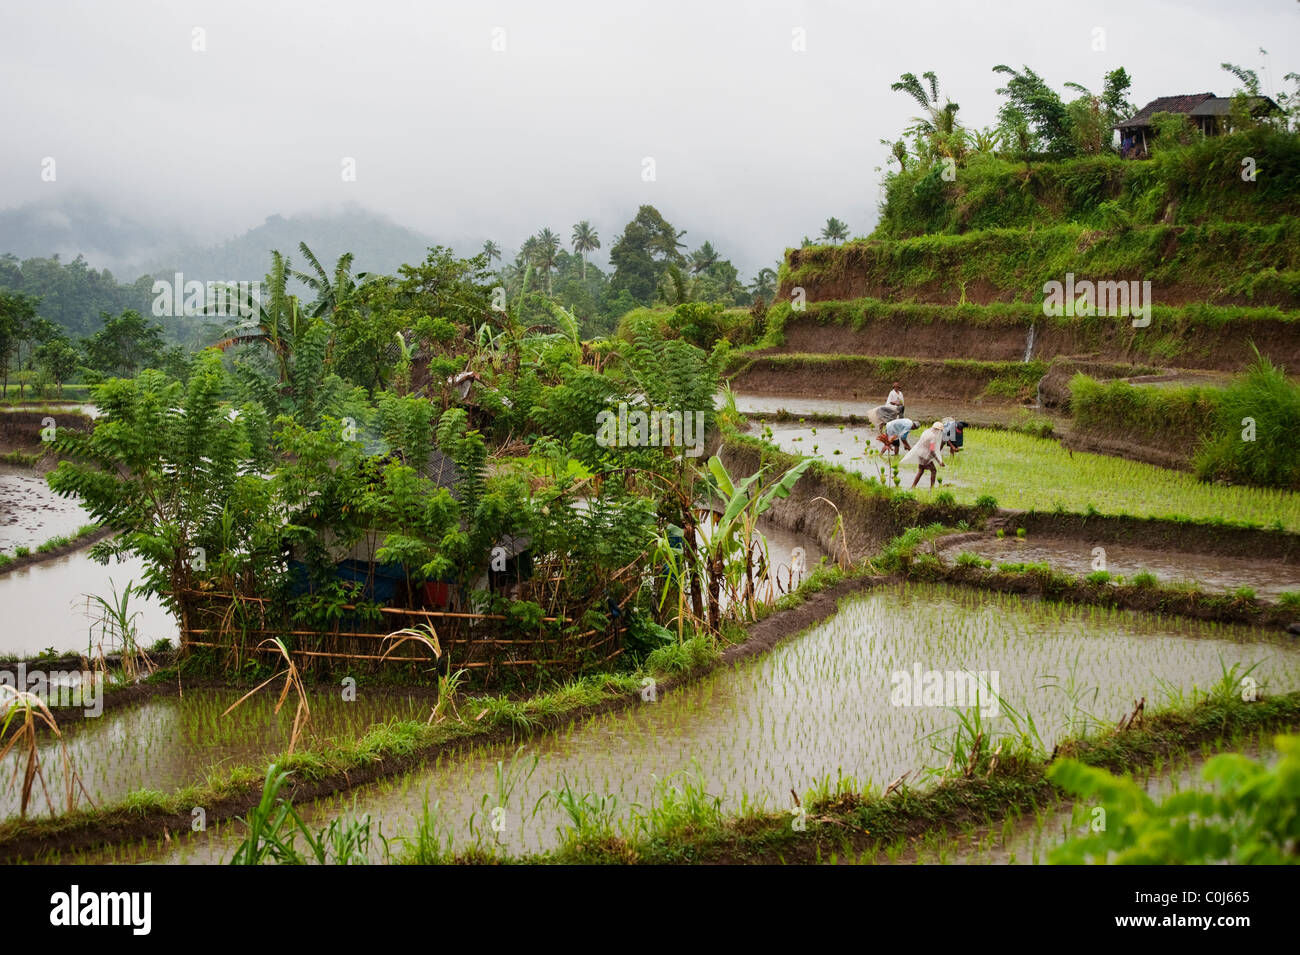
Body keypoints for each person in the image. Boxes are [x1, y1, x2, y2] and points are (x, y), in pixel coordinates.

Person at [901, 421, 945, 488]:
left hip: (919, 453)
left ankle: (913, 486)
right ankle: (932, 489)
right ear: (938, 430)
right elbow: (932, 450)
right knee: (934, 471)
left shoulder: (926, 431)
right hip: (925, 456)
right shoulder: (933, 437)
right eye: (940, 431)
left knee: (921, 470)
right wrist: (939, 461)